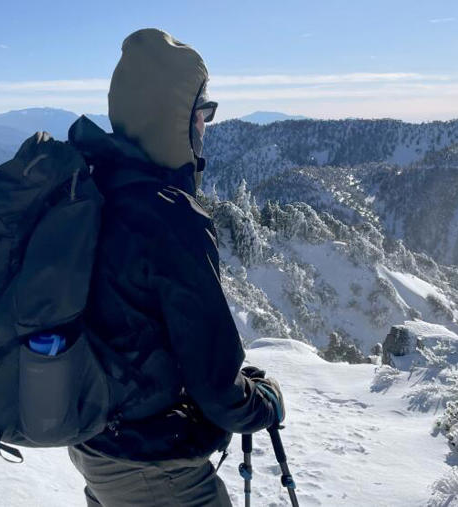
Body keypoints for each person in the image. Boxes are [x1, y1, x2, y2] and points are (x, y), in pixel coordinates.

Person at [66, 28, 285, 507]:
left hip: (91, 444)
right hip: (151, 465)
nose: (206, 125)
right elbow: (216, 389)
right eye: (201, 113)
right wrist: (261, 404)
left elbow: (131, 326)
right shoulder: (169, 217)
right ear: (176, 118)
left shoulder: (92, 188)